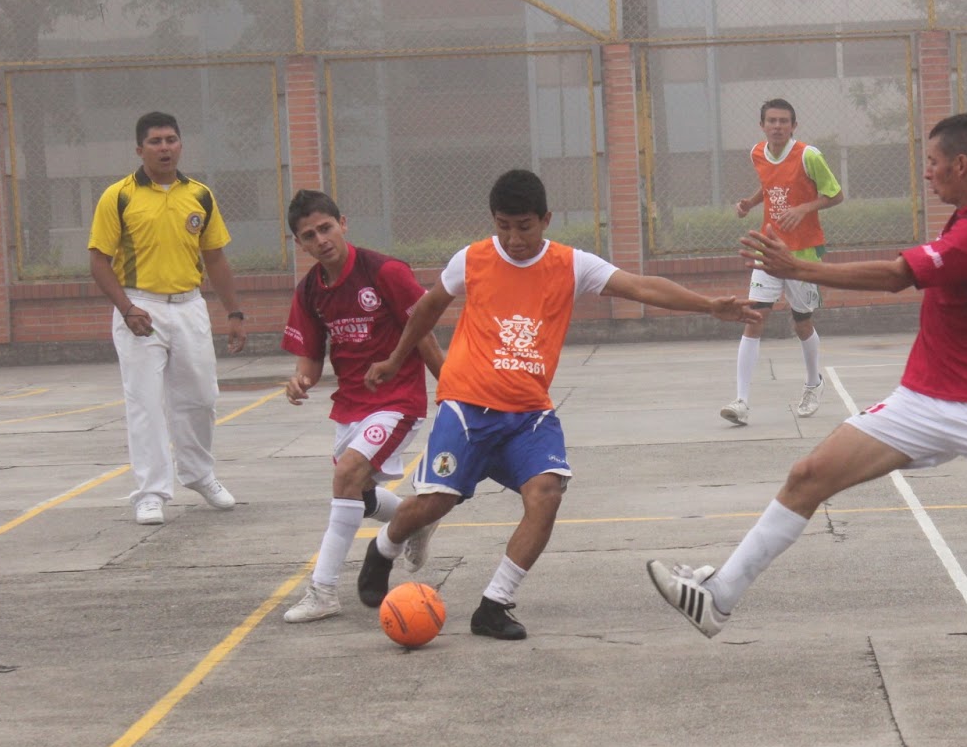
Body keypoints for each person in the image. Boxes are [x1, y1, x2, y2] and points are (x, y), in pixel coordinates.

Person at [648, 59, 967, 639]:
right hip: (923, 403)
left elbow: (892, 277)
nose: (928, 174)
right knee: (809, 475)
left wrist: (796, 266)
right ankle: (719, 598)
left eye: (933, 164)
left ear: (961, 167)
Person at [355, 169, 760, 640]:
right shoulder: (471, 260)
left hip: (529, 414)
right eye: (504, 225)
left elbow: (641, 286)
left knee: (546, 495)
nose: (514, 237)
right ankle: (382, 549)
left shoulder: (570, 264)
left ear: (545, 220)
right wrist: (395, 357)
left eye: (524, 226)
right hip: (466, 406)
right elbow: (427, 308)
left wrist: (708, 305)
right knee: (434, 503)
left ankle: (495, 604)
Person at [279, 190, 446, 623]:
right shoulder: (310, 291)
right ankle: (416, 517)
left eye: (326, 228)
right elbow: (312, 361)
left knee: (346, 475)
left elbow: (423, 329)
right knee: (362, 494)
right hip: (351, 405)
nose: (321, 240)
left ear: (343, 223)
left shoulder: (384, 271)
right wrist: (300, 381)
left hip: (397, 400)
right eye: (309, 235)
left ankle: (323, 591)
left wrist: (451, 388)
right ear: (300, 245)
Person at [88, 111, 245, 526]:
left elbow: (214, 257)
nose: (164, 148)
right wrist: (128, 308)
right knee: (145, 404)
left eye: (171, 140)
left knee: (201, 397)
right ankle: (151, 493)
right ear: (139, 149)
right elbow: (99, 260)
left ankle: (199, 474)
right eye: (155, 141)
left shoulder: (200, 195)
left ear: (180, 145)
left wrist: (234, 312)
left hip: (190, 306)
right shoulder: (118, 196)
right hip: (140, 307)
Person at [723, 98, 845, 425]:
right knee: (754, 316)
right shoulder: (757, 153)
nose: (777, 126)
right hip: (770, 248)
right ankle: (741, 401)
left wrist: (804, 209)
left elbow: (836, 195)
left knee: (801, 322)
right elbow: (769, 186)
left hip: (803, 252)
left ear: (794, 125)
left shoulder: (809, 156)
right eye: (772, 121)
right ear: (762, 125)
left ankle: (813, 383)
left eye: (784, 121)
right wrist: (749, 203)